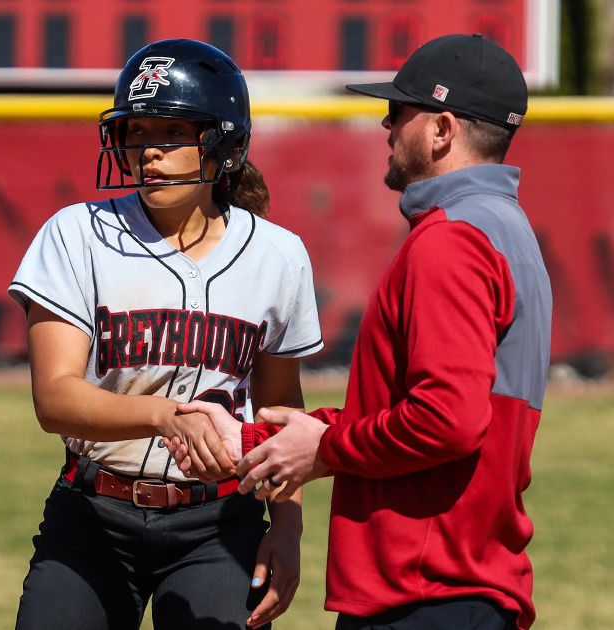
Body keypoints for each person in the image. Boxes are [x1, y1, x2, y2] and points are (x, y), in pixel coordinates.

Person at [175, 34, 553, 630]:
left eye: (399, 111)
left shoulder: (451, 239)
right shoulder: (508, 230)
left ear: (442, 130)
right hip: (461, 579)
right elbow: (410, 410)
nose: (385, 125)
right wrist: (260, 441)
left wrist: (322, 452)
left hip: (424, 587)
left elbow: (446, 419)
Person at [7, 38, 324, 630]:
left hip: (219, 520)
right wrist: (162, 416)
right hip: (93, 514)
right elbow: (54, 399)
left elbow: (281, 409)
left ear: (224, 143)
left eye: (171, 133)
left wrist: (287, 526)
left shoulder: (278, 255)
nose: (147, 151)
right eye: (135, 131)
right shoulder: (77, 234)